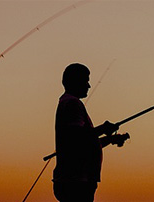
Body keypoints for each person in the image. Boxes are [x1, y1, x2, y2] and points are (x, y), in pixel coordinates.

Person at [52, 63, 129, 202]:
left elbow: (82, 144)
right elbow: (77, 138)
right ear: (75, 81)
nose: (88, 85)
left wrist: (110, 140)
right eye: (86, 80)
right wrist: (103, 128)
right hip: (76, 181)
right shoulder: (72, 104)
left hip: (77, 179)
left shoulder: (68, 103)